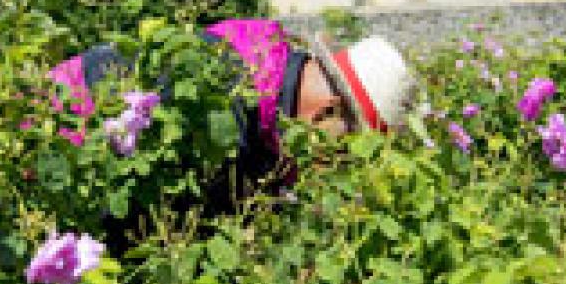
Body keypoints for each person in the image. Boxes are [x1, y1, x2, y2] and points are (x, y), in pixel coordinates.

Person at [53, 17, 423, 182]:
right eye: (341, 152)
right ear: (327, 112)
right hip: (51, 141)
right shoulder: (225, 99)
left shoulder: (261, 77)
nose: (331, 166)